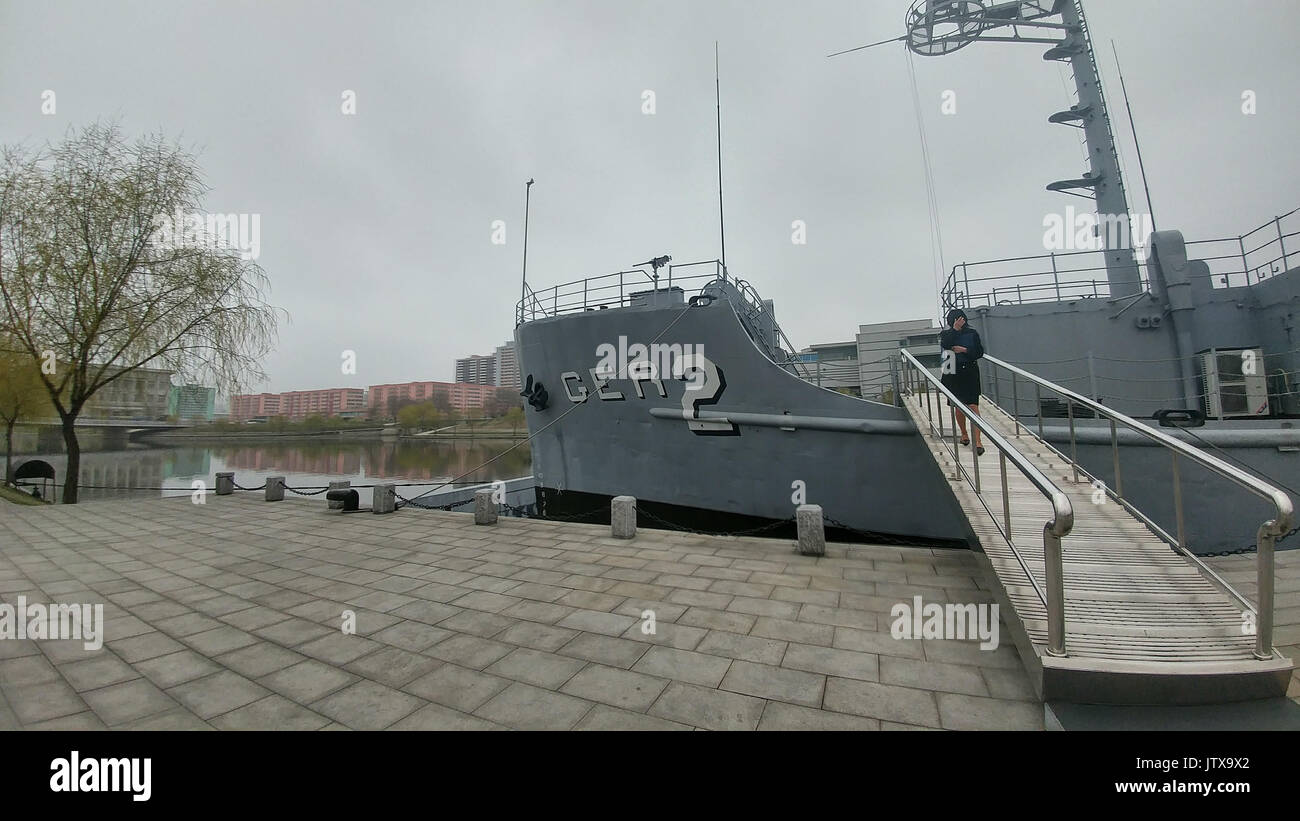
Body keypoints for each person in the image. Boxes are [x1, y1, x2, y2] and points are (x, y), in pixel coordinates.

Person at [939, 308, 986, 455]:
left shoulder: (972, 333)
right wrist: (955, 330)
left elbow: (979, 352)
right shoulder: (946, 334)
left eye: (960, 319)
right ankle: (964, 433)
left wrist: (965, 350)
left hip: (970, 371)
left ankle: (978, 441)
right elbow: (946, 345)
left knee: (973, 405)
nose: (959, 322)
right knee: (958, 406)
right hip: (953, 371)